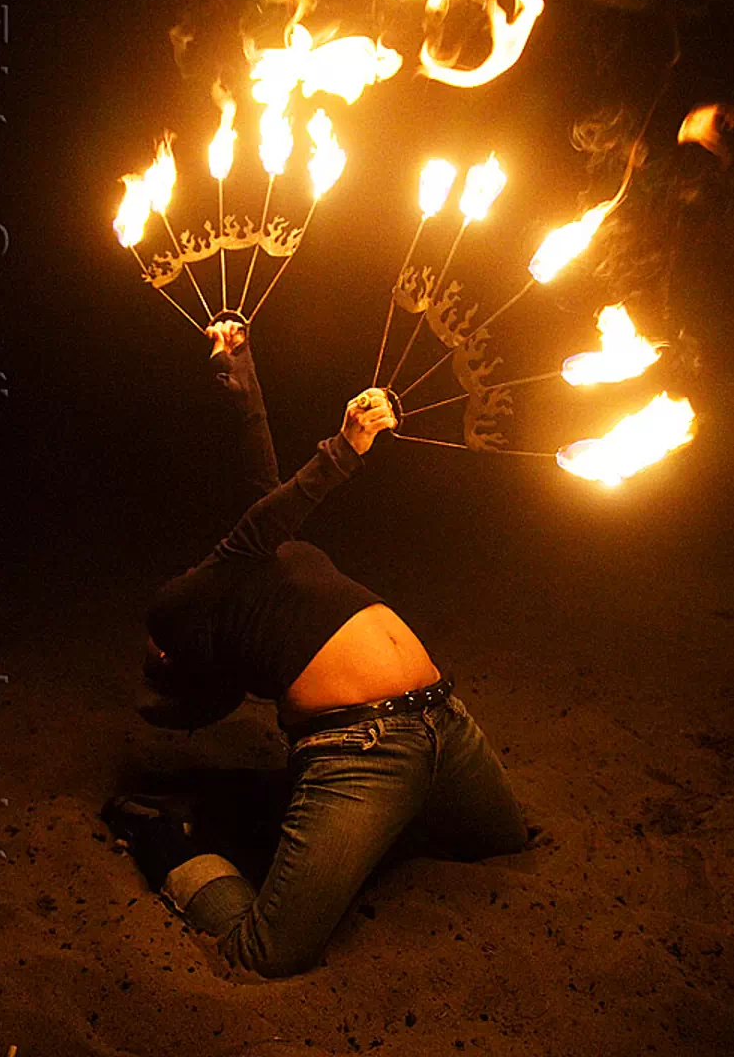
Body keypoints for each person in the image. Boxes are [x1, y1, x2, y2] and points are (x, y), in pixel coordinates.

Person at [103, 320, 528, 980]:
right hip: (360, 751)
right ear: (172, 659)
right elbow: (254, 526)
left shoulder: (251, 571)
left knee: (506, 847)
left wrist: (238, 364)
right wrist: (345, 449)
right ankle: (157, 833)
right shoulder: (181, 606)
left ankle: (248, 807)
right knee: (266, 953)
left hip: (448, 720)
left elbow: (257, 472)